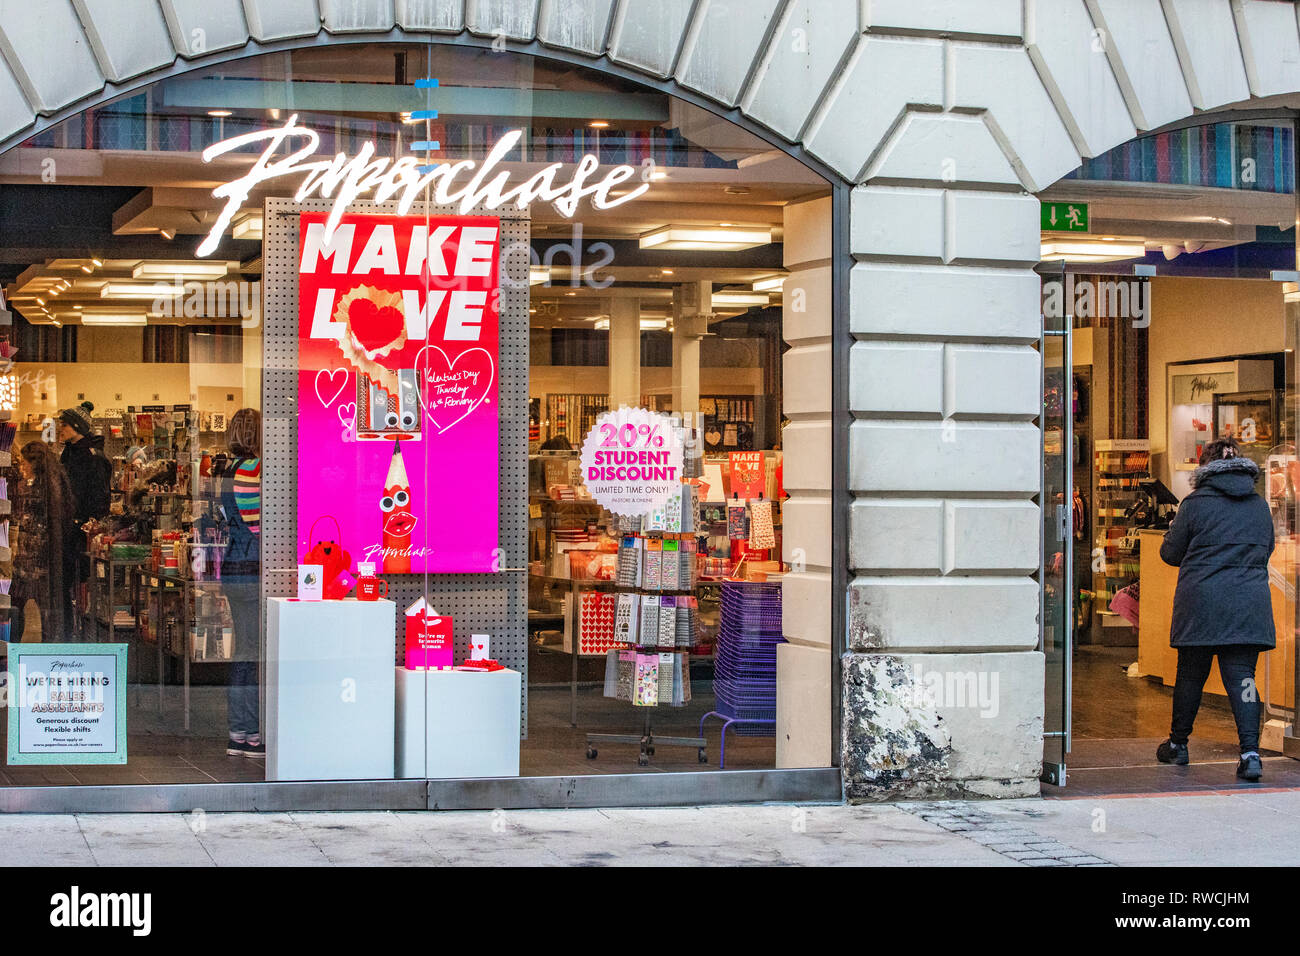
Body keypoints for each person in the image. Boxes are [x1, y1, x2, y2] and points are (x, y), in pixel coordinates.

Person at [1158, 436, 1274, 781]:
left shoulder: (1194, 504)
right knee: (1244, 680)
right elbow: (1265, 549)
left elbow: (1170, 554)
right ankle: (1250, 753)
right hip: (1248, 604)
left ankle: (1178, 745)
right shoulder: (1259, 505)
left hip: (1201, 604)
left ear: (1205, 468)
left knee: (1191, 675)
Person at [215, 408, 264, 758]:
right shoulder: (256, 469)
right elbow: (260, 523)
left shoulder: (228, 470)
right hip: (253, 567)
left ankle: (239, 732)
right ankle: (252, 732)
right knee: (254, 653)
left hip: (232, 566)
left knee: (243, 651)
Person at [10, 442, 77, 642]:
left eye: (25, 463)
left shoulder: (35, 491)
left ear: (35, 464)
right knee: (45, 611)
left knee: (19, 606)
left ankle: (12, 649)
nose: (22, 468)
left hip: (34, 561)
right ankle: (49, 647)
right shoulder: (55, 487)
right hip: (39, 561)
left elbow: (25, 521)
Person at [56, 401, 111, 623]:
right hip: (68, 525)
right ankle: (69, 628)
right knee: (66, 582)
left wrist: (86, 521)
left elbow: (99, 495)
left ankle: (77, 627)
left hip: (80, 530)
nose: (60, 429)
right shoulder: (68, 454)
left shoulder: (92, 457)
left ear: (77, 427)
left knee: (78, 581)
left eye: (64, 425)